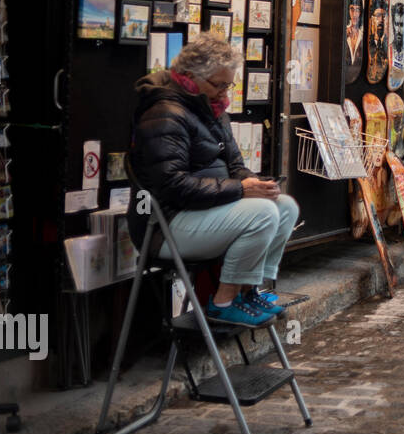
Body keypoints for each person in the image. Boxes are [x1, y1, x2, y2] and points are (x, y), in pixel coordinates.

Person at [128, 33, 299, 327]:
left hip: (205, 213)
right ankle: (223, 301)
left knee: (284, 206)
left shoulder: (211, 109)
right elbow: (173, 186)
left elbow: (234, 164)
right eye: (219, 85)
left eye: (228, 85)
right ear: (191, 77)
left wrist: (255, 184)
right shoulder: (165, 114)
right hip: (167, 226)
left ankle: (249, 291)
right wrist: (240, 189)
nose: (224, 94)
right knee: (263, 213)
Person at [344, 0, 364, 74]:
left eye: (358, 9)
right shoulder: (344, 33)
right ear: (348, 10)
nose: (355, 14)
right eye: (352, 9)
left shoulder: (362, 36)